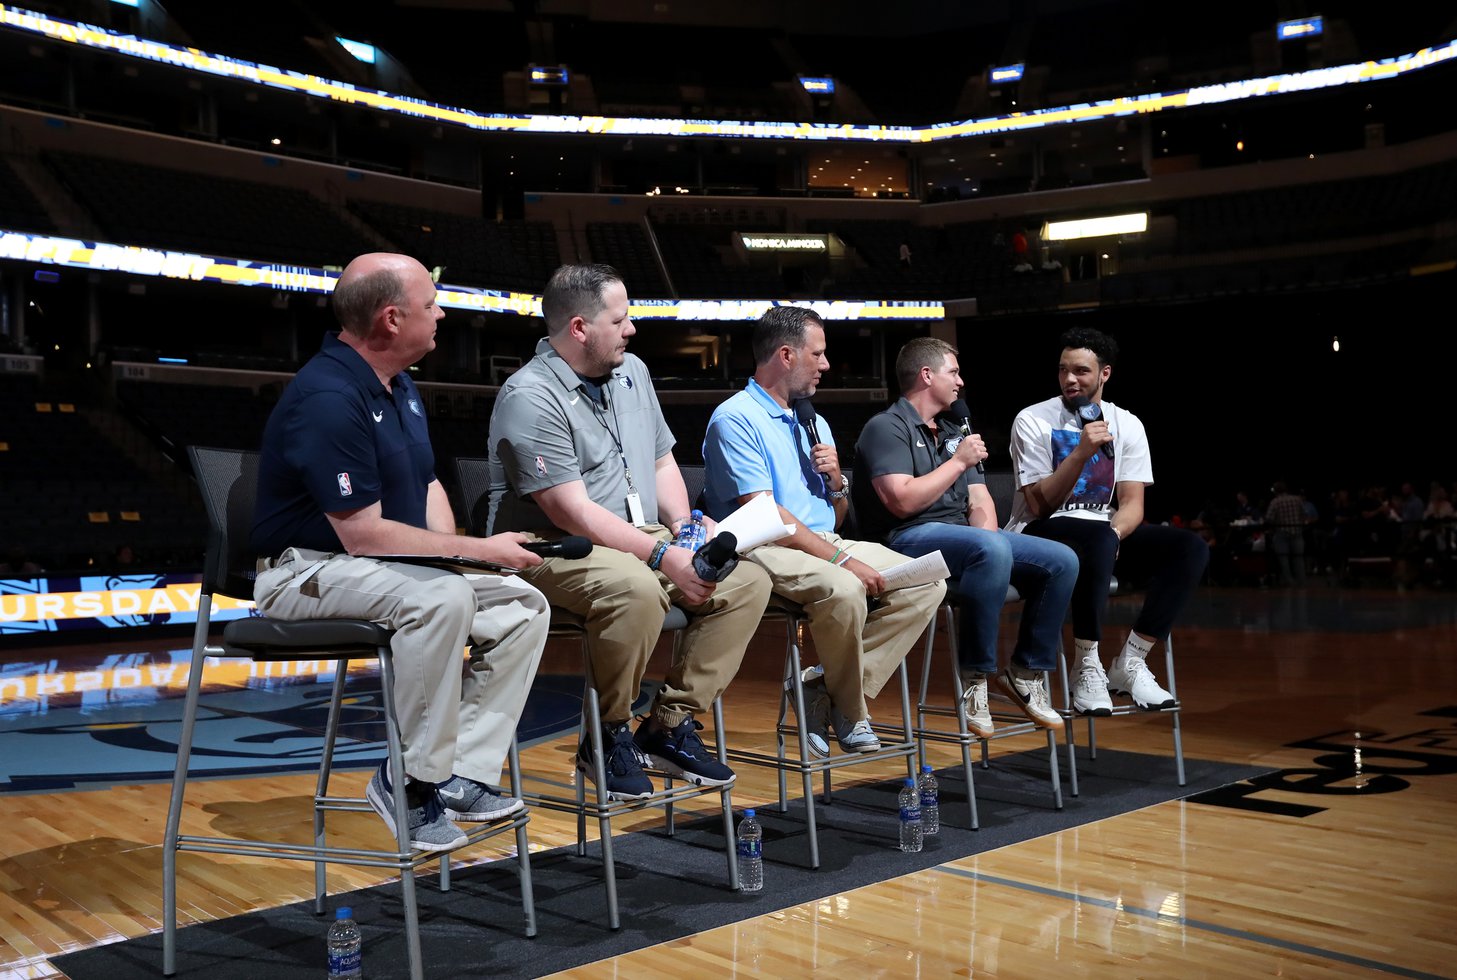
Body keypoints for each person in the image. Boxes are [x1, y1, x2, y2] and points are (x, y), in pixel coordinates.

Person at [251, 252, 551, 851]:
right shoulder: (329, 396)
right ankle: (409, 779)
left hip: (378, 568)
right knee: (440, 599)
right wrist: (474, 556)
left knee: (522, 605)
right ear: (391, 319)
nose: (441, 313)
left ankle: (463, 772)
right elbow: (360, 534)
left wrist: (462, 554)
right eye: (430, 304)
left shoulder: (399, 385)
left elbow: (428, 485)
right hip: (301, 572)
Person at [487, 263, 771, 800]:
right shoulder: (529, 394)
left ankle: (668, 724)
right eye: (620, 320)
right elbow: (570, 511)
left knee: (746, 583)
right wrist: (664, 556)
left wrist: (685, 528)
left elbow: (663, 460)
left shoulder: (632, 371)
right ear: (579, 328)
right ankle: (607, 734)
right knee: (635, 589)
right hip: (553, 547)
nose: (631, 329)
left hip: (639, 537)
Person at [701, 306, 944, 758]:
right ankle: (851, 710)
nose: (827, 364)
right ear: (787, 355)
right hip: (762, 546)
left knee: (926, 579)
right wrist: (842, 559)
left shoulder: (813, 420)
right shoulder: (734, 419)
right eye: (820, 354)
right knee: (845, 587)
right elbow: (763, 514)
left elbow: (834, 517)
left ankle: (817, 687)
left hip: (819, 540)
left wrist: (838, 483)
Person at [854, 337, 1078, 734]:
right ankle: (975, 679)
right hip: (903, 540)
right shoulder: (885, 428)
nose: (961, 382)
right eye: (953, 372)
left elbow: (980, 502)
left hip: (961, 540)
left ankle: (1025, 672)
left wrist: (993, 549)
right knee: (989, 547)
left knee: (1061, 560)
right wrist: (959, 462)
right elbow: (902, 502)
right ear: (926, 375)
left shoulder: (956, 429)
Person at [1007, 326, 1208, 716]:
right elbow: (1038, 505)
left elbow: (1132, 504)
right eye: (1063, 370)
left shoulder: (1127, 423)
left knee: (1189, 548)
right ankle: (1087, 665)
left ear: (1104, 374)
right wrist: (1080, 453)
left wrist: (1115, 534)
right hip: (1040, 533)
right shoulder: (1032, 420)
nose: (1069, 379)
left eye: (1081, 371)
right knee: (1097, 538)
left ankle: (1130, 663)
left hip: (1101, 535)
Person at [1264, 481, 1309, 586]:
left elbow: (1269, 519)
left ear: (1275, 491)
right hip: (1297, 531)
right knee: (1298, 558)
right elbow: (1304, 514)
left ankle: (1289, 582)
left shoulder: (1275, 502)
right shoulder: (1297, 499)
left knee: (1283, 559)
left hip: (1281, 533)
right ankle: (1301, 582)